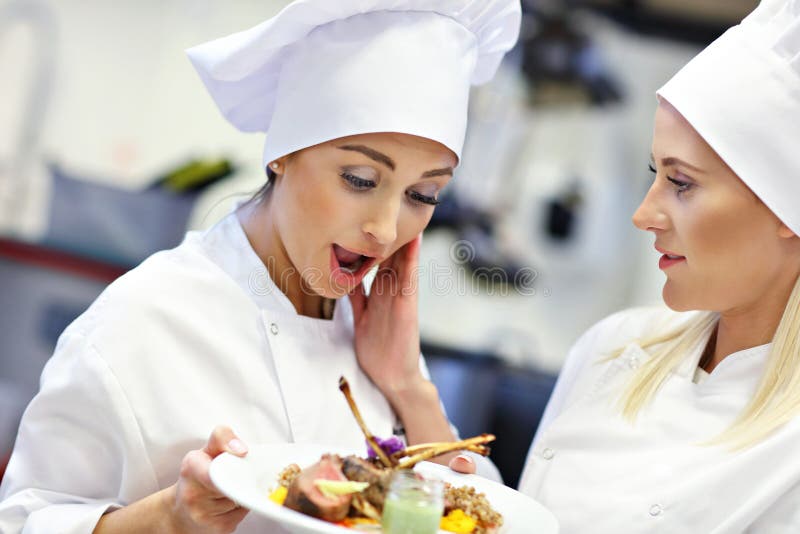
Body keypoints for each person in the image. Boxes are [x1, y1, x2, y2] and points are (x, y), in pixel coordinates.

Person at [0, 1, 521, 532]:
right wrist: (170, 517)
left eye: (424, 194)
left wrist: (409, 385)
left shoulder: (380, 341)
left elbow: (481, 514)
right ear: (283, 153)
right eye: (361, 179)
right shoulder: (145, 318)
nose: (386, 230)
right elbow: (24, 520)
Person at [515, 0, 800, 532]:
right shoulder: (613, 347)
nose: (644, 215)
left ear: (786, 209)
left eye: (682, 183)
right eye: (655, 172)